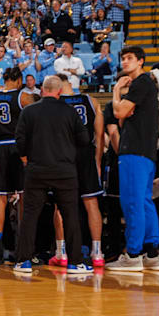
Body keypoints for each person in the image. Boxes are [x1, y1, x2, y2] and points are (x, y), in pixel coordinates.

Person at [12, 76, 93, 274]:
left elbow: (19, 141)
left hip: (36, 169)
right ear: (59, 91)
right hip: (65, 171)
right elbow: (84, 139)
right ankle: (75, 262)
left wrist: (27, 157)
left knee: (30, 216)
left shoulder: (29, 111)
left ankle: (24, 261)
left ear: (42, 91)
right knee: (70, 215)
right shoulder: (70, 111)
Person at [109, 46, 159, 271]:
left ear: (141, 61)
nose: (125, 62)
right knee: (144, 201)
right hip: (147, 151)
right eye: (123, 58)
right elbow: (125, 115)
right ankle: (152, 253)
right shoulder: (146, 85)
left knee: (132, 202)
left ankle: (133, 255)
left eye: (130, 58)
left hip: (134, 150)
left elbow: (119, 113)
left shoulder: (141, 82)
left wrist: (116, 91)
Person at [0, 67, 33, 262]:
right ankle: (22, 244)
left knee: (0, 198)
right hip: (18, 146)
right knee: (22, 196)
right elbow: (32, 124)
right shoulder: (24, 97)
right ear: (19, 80)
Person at [58, 76, 107, 271]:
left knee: (60, 205)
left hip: (65, 154)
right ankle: (97, 252)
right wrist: (98, 161)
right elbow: (99, 134)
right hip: (86, 154)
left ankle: (61, 251)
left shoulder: (57, 102)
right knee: (92, 203)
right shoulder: (91, 100)